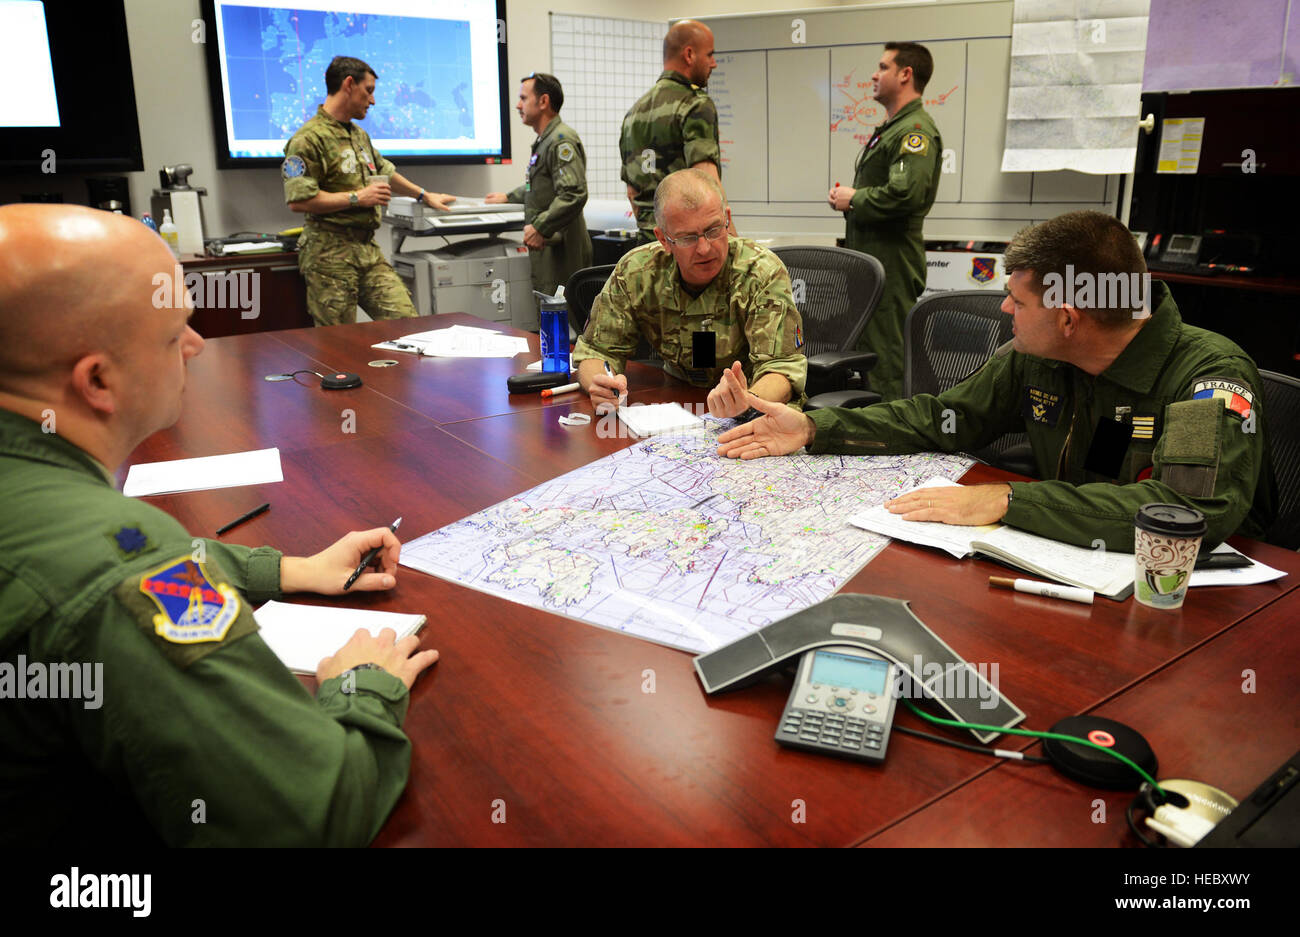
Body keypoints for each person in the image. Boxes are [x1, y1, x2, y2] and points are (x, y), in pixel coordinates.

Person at [0, 204, 440, 846]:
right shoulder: (123, 571)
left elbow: (96, 566)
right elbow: (309, 814)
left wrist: (287, 569)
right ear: (97, 379)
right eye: (173, 330)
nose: (195, 344)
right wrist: (360, 689)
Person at [718, 210, 1277, 551]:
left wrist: (1009, 501)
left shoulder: (1209, 377)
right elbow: (942, 419)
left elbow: (1186, 513)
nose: (1005, 308)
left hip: (1196, 602)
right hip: (1077, 561)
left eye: (1018, 298)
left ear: (1068, 317)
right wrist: (815, 429)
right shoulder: (1042, 357)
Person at [572, 169, 806, 418]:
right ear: (663, 239)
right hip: (676, 403)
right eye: (688, 238)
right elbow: (596, 350)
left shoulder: (760, 272)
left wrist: (747, 401)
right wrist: (600, 383)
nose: (705, 248)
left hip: (755, 411)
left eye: (714, 230)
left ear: (727, 218)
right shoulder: (637, 271)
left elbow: (781, 369)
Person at [284, 55, 455, 326]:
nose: (372, 101)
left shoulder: (358, 135)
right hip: (329, 252)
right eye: (369, 90)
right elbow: (300, 200)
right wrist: (357, 198)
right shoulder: (308, 138)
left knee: (406, 324)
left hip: (366, 248)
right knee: (337, 341)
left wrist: (423, 195)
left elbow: (384, 170)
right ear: (349, 84)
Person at [829, 41, 942, 401]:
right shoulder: (893, 127)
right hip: (873, 259)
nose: (874, 76)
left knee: (888, 357)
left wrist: (854, 199)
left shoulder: (915, 132)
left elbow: (906, 193)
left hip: (890, 262)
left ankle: (891, 440)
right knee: (873, 351)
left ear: (906, 74)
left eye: (883, 67)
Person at [620, 20, 735, 244]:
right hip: (689, 251)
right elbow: (706, 178)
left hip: (648, 248)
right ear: (689, 55)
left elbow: (632, 193)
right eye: (709, 55)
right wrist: (733, 245)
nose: (714, 64)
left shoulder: (633, 113)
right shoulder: (695, 104)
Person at [485, 73, 592, 295]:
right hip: (549, 249)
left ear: (543, 101)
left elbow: (573, 193)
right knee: (549, 316)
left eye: (523, 98)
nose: (517, 105)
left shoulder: (561, 140)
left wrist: (540, 226)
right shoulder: (546, 140)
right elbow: (539, 184)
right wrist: (509, 196)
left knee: (565, 322)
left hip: (563, 253)